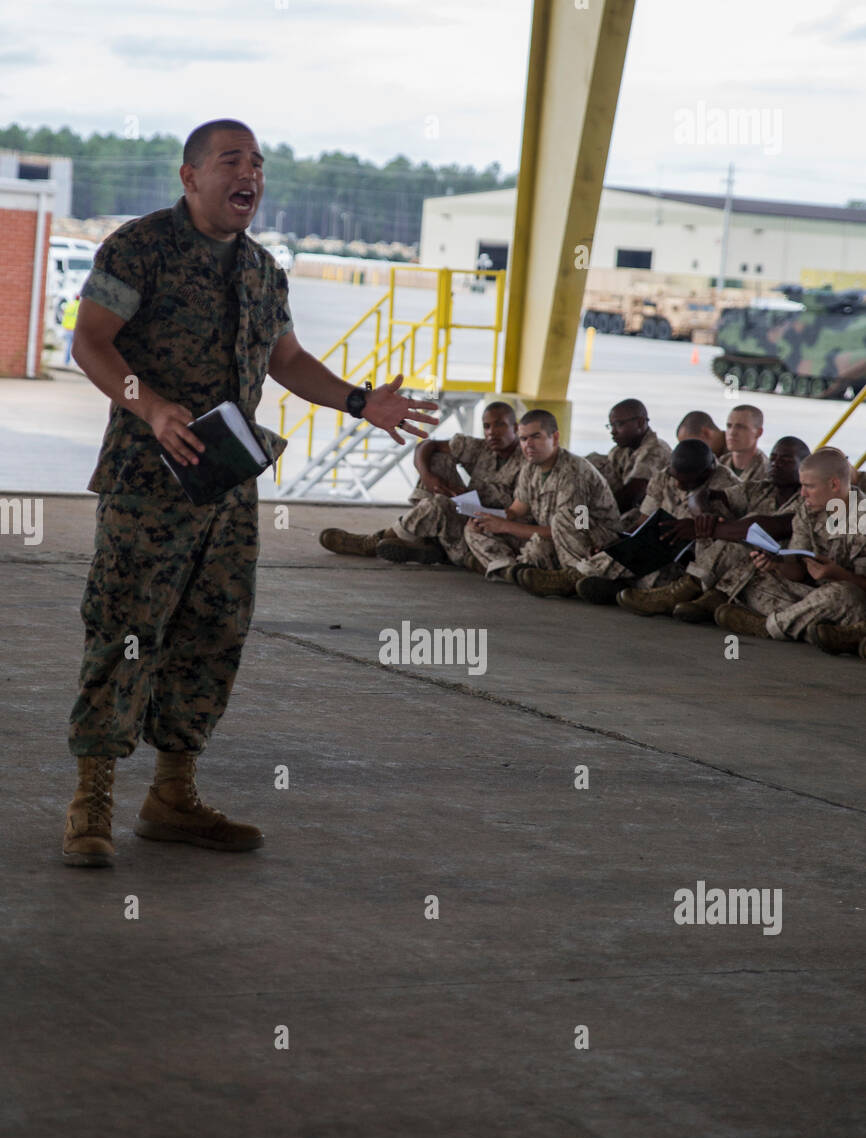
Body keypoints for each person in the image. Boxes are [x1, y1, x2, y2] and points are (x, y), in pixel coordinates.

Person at [63, 118, 436, 869]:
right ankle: (91, 798)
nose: (250, 175)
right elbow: (89, 340)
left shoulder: (264, 271)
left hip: (227, 489)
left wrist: (361, 401)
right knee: (127, 629)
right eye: (232, 160)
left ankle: (172, 795)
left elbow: (287, 360)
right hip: (148, 482)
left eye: (259, 165)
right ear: (189, 176)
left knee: (214, 631)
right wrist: (151, 404)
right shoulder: (139, 248)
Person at [627, 436, 810, 623]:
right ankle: (704, 593)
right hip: (744, 567)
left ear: (805, 466)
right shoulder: (761, 489)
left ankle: (691, 588)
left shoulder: (808, 501)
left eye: (786, 460)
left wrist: (706, 529)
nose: (776, 464)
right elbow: (701, 494)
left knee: (743, 533)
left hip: (781, 572)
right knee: (718, 515)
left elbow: (766, 528)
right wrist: (704, 515)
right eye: (773, 458)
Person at [318, 401, 522, 567]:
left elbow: (521, 515)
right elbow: (427, 445)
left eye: (500, 425)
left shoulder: (527, 462)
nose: (492, 432)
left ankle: (373, 542)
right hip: (469, 514)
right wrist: (427, 476)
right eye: (487, 426)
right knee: (436, 460)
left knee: (440, 504)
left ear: (515, 427)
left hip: (492, 532)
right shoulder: (482, 448)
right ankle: (427, 541)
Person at [712, 447, 866, 652]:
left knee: (842, 594)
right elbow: (798, 570)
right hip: (812, 596)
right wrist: (776, 565)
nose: (802, 494)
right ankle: (821, 631)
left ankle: (768, 627)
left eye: (809, 486)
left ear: (834, 484)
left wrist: (838, 574)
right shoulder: (808, 510)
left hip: (851, 599)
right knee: (753, 578)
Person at [464, 409, 621, 596]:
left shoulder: (573, 472)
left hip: (591, 541)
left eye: (535, 437)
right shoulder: (530, 468)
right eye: (523, 439)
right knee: (474, 528)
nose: (528, 445)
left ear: (554, 438)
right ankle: (509, 570)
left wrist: (505, 526)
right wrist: (486, 519)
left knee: (556, 527)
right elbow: (516, 510)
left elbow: (576, 527)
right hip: (554, 537)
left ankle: (574, 577)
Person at [576, 439, 746, 605]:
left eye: (686, 482)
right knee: (611, 546)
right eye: (675, 476)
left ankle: (612, 584)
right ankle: (610, 582)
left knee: (659, 576)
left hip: (693, 557)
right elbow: (643, 521)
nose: (678, 484)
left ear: (707, 473)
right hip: (655, 546)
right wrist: (618, 544)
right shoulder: (664, 476)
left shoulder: (729, 489)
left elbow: (730, 541)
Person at [585, 397, 671, 521]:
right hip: (622, 509)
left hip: (646, 516)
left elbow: (632, 496)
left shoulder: (655, 450)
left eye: (619, 424)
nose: (613, 432)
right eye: (611, 426)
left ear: (640, 423)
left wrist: (596, 514)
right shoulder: (622, 449)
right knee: (591, 462)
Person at [720, 403, 768, 484]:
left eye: (740, 427)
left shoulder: (766, 472)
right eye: (729, 426)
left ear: (758, 432)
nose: (732, 432)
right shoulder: (720, 463)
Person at [62, 295, 80, 366]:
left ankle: (66, 361)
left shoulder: (69, 305)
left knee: (68, 345)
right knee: (76, 346)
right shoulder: (79, 306)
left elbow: (64, 313)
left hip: (67, 327)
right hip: (75, 329)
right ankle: (76, 362)